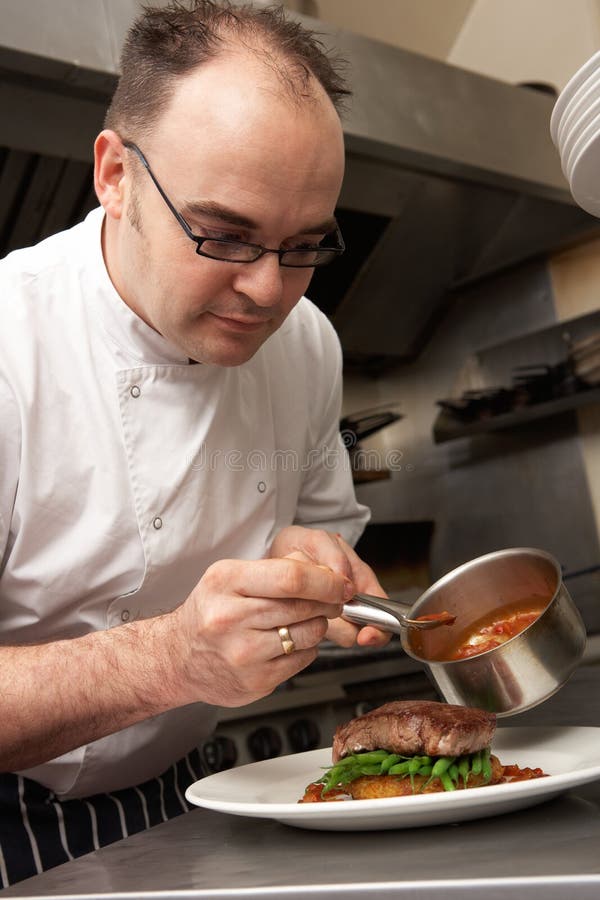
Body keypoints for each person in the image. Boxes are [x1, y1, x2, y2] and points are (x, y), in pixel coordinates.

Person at [0, 0, 390, 885]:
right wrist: (174, 658)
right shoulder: (12, 348)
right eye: (224, 235)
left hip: (179, 790)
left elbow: (316, 523)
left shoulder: (307, 344)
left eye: (304, 246)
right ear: (115, 175)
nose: (268, 291)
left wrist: (305, 566)